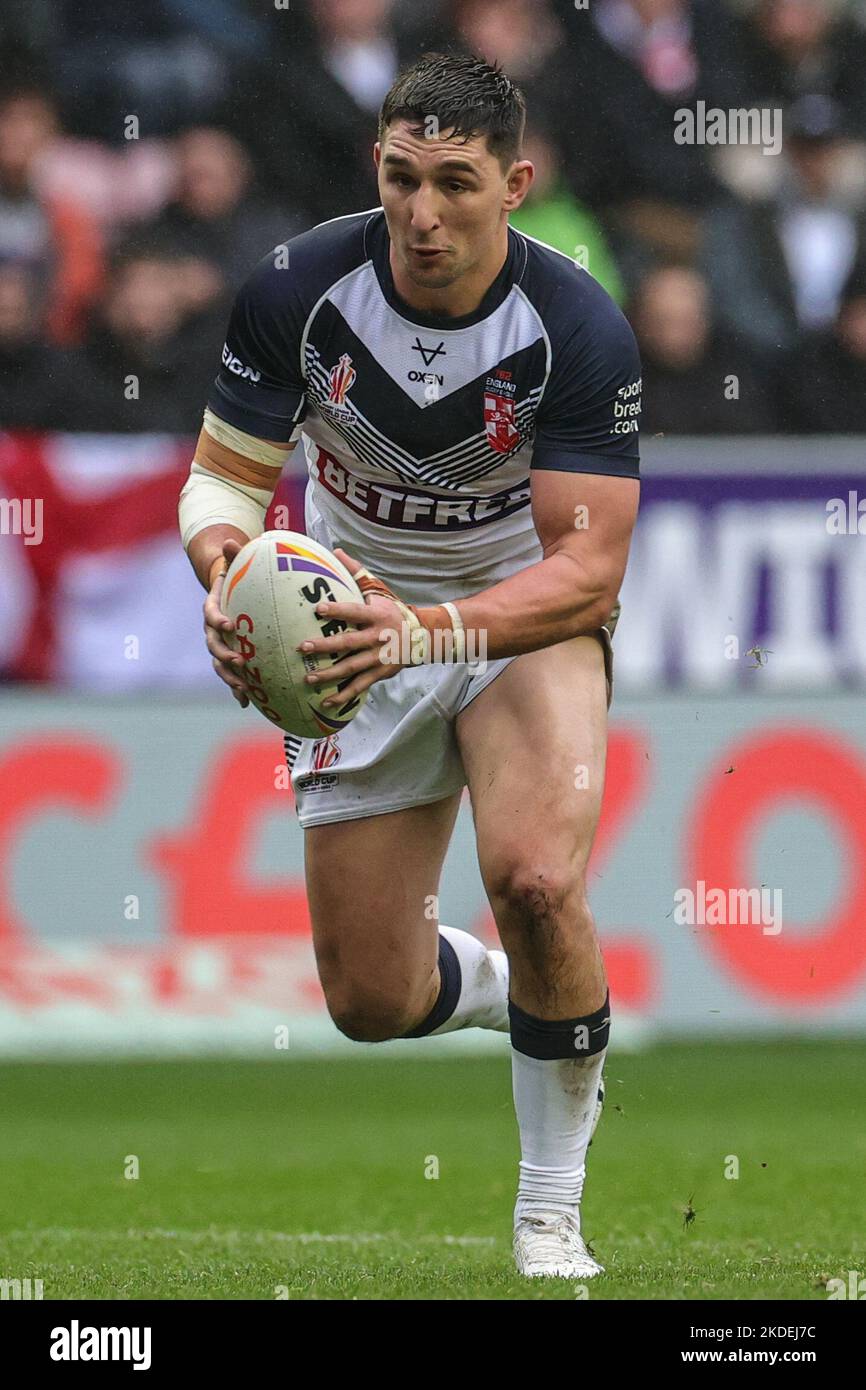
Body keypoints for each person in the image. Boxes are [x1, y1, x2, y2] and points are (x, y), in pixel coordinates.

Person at [179, 52, 641, 1280]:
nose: (422, 215)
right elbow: (222, 483)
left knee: (536, 876)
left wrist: (431, 630)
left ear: (516, 185)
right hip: (345, 616)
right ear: (371, 169)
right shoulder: (296, 287)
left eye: (455, 184)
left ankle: (549, 1213)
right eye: (399, 179)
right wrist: (226, 580)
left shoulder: (577, 323)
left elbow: (586, 572)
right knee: (369, 999)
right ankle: (528, 995)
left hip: (510, 618)